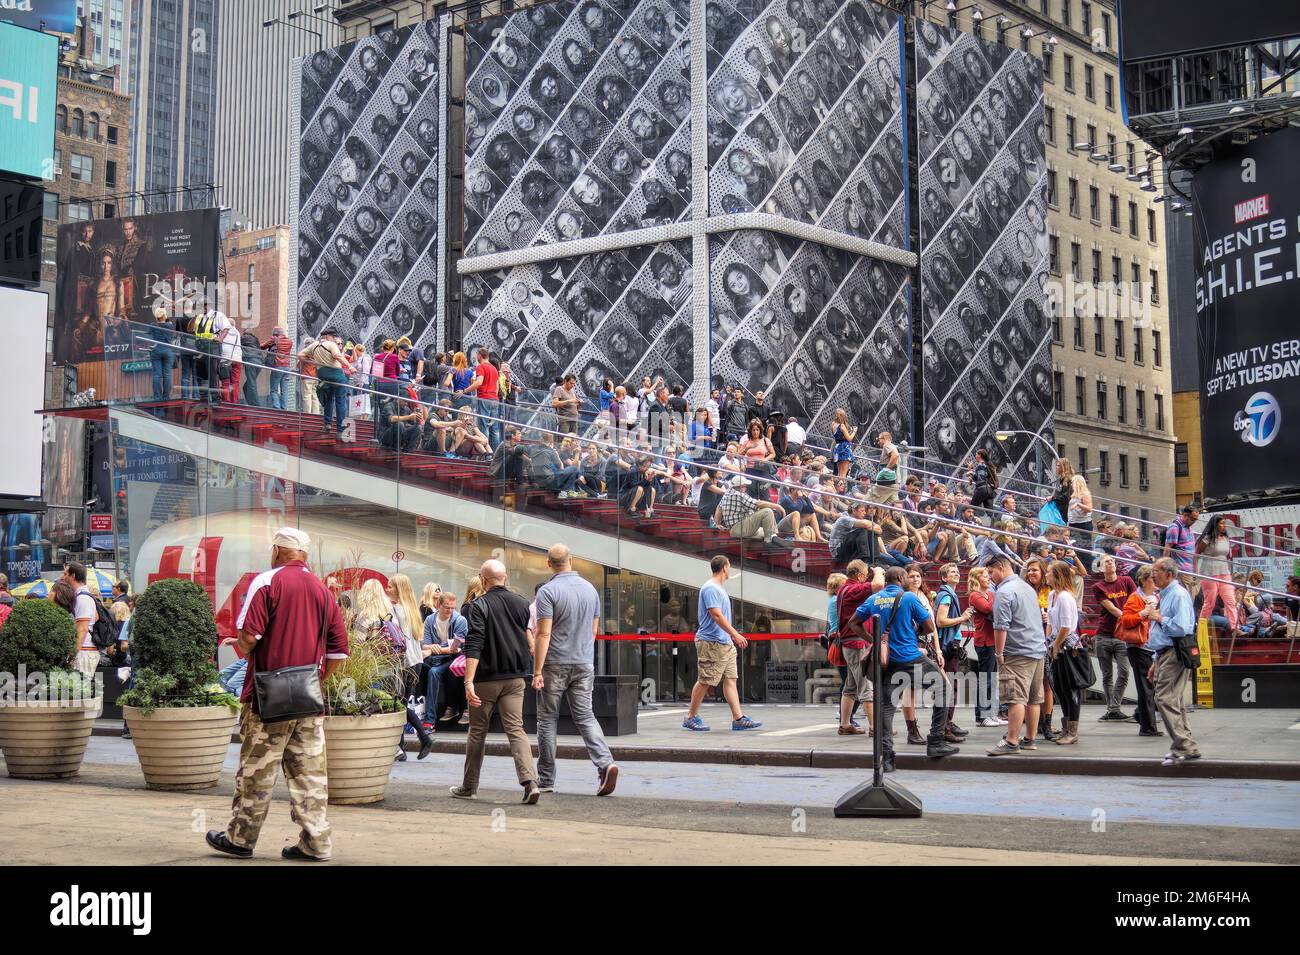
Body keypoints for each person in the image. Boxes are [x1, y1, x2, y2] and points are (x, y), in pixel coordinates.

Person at [206, 527, 349, 862]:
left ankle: (241, 839)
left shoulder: (267, 582)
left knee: (257, 771)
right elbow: (339, 653)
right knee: (310, 775)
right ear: (305, 555)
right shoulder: (322, 590)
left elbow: (251, 635)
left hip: (266, 698)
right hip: (307, 699)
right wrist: (313, 681)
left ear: (276, 551)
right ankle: (316, 844)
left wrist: (238, 646)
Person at [450, 559, 542, 803]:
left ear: (483, 580)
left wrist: (468, 681)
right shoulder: (522, 603)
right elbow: (528, 636)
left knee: (477, 731)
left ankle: (469, 786)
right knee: (516, 728)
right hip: (515, 677)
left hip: (486, 679)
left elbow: (475, 642)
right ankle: (529, 781)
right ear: (505, 578)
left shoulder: (478, 605)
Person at [848, 566, 958, 769]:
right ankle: (936, 741)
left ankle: (887, 757)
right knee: (944, 688)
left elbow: (854, 622)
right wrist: (913, 633)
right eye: (907, 576)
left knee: (887, 707)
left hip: (886, 661)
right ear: (900, 577)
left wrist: (873, 640)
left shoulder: (874, 599)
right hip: (910, 656)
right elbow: (930, 627)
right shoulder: (908, 598)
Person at [532, 544, 618, 795]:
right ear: (571, 560)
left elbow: (544, 633)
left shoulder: (547, 592)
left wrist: (537, 671)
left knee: (547, 719)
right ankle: (605, 763)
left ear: (549, 563)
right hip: (583, 662)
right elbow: (593, 631)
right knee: (585, 716)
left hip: (555, 663)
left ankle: (546, 779)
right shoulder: (591, 590)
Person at [681, 556, 762, 732]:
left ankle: (738, 718)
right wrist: (735, 634)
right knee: (705, 680)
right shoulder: (710, 588)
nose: (730, 569)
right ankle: (690, 717)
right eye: (729, 566)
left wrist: (730, 638)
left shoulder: (719, 588)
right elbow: (716, 615)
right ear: (724, 568)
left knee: (730, 679)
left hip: (724, 643)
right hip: (712, 642)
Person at [984, 553, 1046, 756]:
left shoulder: (1004, 591)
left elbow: (1001, 626)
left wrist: (999, 653)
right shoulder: (1027, 587)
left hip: (1017, 652)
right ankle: (1030, 738)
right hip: (1037, 650)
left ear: (1001, 568)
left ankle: (1012, 742)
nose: (991, 576)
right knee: (1034, 699)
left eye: (991, 572)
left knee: (1015, 698)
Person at [1146, 557, 1200, 765]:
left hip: (1174, 652)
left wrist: (1159, 617)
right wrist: (1155, 660)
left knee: (1164, 699)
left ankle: (1184, 745)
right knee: (1173, 700)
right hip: (1165, 653)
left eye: (1156, 571)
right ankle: (1185, 746)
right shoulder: (1167, 594)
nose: (1152, 575)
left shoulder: (1177, 595)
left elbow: (1183, 627)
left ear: (1169, 574)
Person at [834, 560, 884, 735]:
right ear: (860, 575)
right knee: (866, 686)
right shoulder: (854, 589)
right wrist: (878, 571)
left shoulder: (843, 589)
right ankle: (875, 728)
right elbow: (878, 585)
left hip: (850, 643)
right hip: (857, 644)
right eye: (866, 575)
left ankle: (845, 724)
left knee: (851, 686)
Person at [1091, 555, 1135, 722]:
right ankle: (1113, 709)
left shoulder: (1127, 581)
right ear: (1101, 568)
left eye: (1111, 560)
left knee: (1124, 672)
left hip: (1122, 636)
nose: (1110, 562)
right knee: (1107, 675)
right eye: (1105, 562)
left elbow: (1135, 601)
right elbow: (1112, 609)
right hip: (1103, 636)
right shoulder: (1098, 586)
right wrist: (1134, 618)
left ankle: (1113, 708)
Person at [1121, 565, 1163, 739]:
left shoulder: (1153, 597)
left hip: (1147, 647)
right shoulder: (1135, 598)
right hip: (1139, 648)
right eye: (1152, 579)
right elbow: (1126, 620)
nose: (1155, 581)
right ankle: (1147, 726)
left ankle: (1142, 716)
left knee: (1149, 687)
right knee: (1146, 688)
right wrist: (1143, 613)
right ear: (1143, 580)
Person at [1046, 561, 1084, 746]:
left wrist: (1055, 645)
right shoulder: (1052, 595)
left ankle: (1072, 730)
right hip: (1055, 643)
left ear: (1057, 576)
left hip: (1066, 646)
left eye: (1049, 573)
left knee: (1070, 689)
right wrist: (1049, 641)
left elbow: (1066, 626)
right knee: (1060, 688)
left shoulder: (1065, 597)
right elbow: (1051, 622)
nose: (1047, 576)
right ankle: (1066, 727)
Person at [933, 562, 972, 742]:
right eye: (952, 572)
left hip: (949, 644)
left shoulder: (949, 594)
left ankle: (948, 722)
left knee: (951, 686)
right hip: (948, 647)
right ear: (943, 577)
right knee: (949, 687)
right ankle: (945, 727)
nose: (957, 574)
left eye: (957, 571)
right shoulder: (947, 596)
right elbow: (941, 621)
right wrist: (962, 618)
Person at [421, 591, 467, 728]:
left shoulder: (460, 620)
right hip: (435, 658)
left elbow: (455, 648)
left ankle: (429, 720)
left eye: (453, 607)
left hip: (453, 659)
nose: (450, 611)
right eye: (447, 607)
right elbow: (425, 644)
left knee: (433, 672)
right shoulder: (430, 620)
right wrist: (431, 648)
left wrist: (434, 649)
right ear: (439, 605)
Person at [967, 566, 1003, 726]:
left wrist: (995, 596)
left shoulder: (990, 594)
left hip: (992, 641)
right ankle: (982, 716)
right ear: (977, 579)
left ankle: (992, 713)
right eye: (985, 575)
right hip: (984, 641)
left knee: (992, 680)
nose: (988, 578)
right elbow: (988, 608)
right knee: (985, 679)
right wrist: (998, 597)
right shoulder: (975, 595)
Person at [299, 329, 353, 437]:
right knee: (340, 402)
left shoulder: (313, 345)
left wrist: (314, 361)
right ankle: (340, 430)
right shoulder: (331, 344)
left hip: (323, 375)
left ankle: (327, 424)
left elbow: (300, 355)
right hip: (336, 375)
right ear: (328, 336)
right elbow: (338, 356)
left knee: (328, 399)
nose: (334, 339)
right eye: (333, 337)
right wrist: (350, 366)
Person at [715, 474, 787, 547]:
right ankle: (768, 542)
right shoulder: (738, 495)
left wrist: (717, 523)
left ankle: (773, 537)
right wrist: (777, 506)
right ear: (740, 486)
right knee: (767, 511)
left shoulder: (727, 493)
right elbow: (758, 504)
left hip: (736, 529)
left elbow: (719, 507)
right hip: (739, 528)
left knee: (768, 531)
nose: (746, 488)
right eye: (745, 486)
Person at [1196, 514, 1238, 631]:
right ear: (1215, 525)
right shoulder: (1207, 538)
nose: (1224, 526)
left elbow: (1228, 556)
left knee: (1231, 601)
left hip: (1224, 572)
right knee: (1210, 603)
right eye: (1221, 523)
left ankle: (1235, 628)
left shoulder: (1226, 538)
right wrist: (1195, 571)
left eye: (1224, 523)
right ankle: (1201, 628)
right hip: (1209, 573)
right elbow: (1196, 554)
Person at [63, 562, 103, 678]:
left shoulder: (82, 598)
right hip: (85, 650)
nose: (63, 577)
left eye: (65, 574)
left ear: (73, 576)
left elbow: (82, 629)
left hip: (84, 652)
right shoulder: (82, 596)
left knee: (80, 690)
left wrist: (73, 654)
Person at [469, 347, 502, 449]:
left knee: (483, 427)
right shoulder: (495, 369)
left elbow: (479, 382)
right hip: (495, 400)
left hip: (484, 398)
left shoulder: (481, 367)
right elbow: (497, 388)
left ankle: (485, 452)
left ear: (479, 355)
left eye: (476, 355)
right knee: (494, 429)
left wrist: (466, 390)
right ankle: (495, 453)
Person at [1162, 503, 1200, 585]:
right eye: (1193, 519)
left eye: (1196, 520)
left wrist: (1196, 570)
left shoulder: (1188, 527)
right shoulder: (1175, 527)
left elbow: (1193, 550)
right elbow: (1167, 548)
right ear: (1185, 515)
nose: (1194, 522)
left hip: (1189, 570)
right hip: (1181, 570)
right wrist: (1165, 569)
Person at [262, 327, 293, 410]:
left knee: (274, 389)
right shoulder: (290, 341)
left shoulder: (274, 339)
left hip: (277, 366)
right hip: (287, 367)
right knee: (284, 389)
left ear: (275, 333)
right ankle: (284, 407)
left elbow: (262, 346)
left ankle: (276, 407)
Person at [869, 431, 900, 504]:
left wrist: (886, 470)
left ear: (884, 438)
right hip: (894, 483)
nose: (878, 441)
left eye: (879, 439)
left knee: (869, 501)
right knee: (890, 507)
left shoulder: (887, 445)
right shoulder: (893, 446)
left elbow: (895, 455)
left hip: (886, 482)